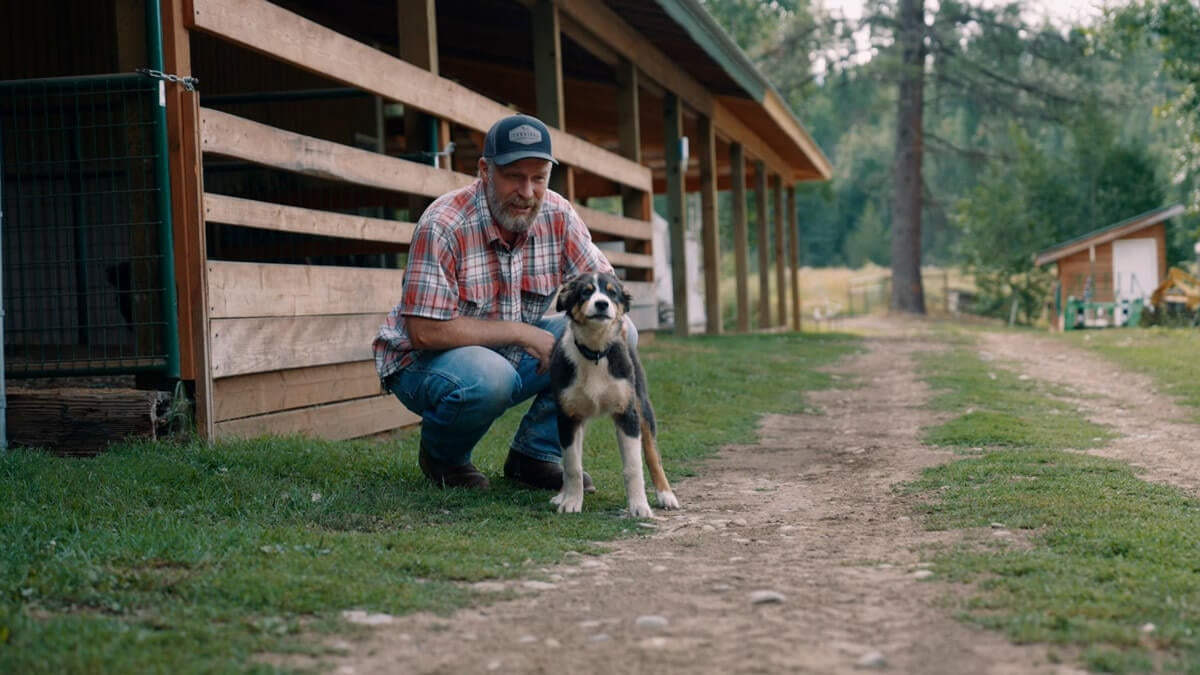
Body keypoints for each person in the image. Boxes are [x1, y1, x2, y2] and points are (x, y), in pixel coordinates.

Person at [373, 113, 635, 490]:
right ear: (485, 170)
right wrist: (523, 334)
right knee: (491, 376)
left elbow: (606, 288)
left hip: (507, 356)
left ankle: (535, 454)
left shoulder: (558, 214)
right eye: (514, 176)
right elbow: (424, 332)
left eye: (538, 178)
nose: (527, 192)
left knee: (618, 333)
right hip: (421, 363)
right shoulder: (444, 224)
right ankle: (444, 458)